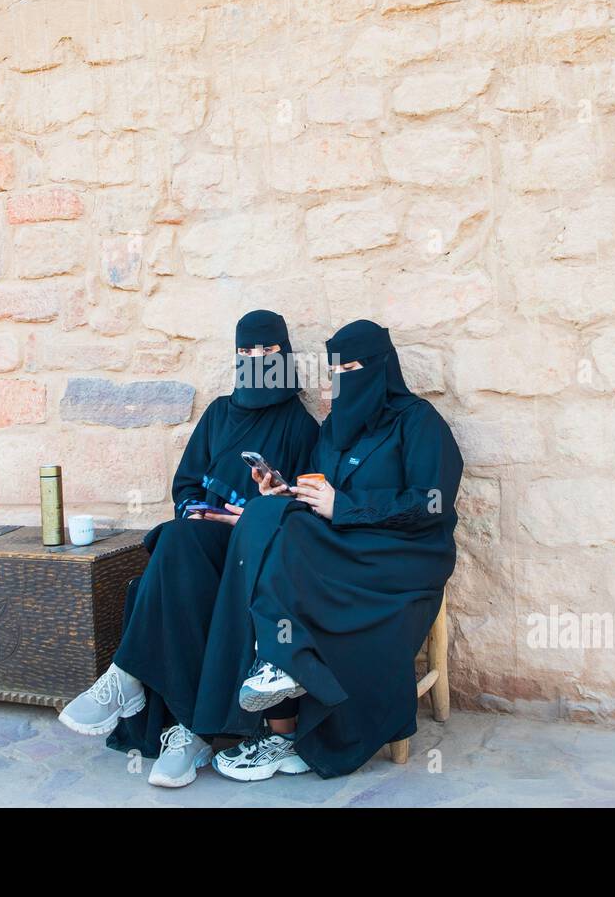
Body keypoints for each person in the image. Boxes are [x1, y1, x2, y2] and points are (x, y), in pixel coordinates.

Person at [191, 319, 463, 782]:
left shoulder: (418, 422)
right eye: (336, 370)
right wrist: (281, 491)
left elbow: (431, 503)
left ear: (382, 367)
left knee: (273, 534)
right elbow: (317, 491)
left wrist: (347, 506)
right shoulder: (335, 428)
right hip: (339, 547)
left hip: (400, 557)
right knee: (265, 517)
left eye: (353, 367)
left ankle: (280, 668)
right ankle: (280, 676)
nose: (344, 379)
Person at [57, 310, 319, 788]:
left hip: (254, 549)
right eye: (245, 353)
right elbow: (187, 483)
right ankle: (185, 728)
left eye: (266, 353)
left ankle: (135, 684)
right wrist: (199, 510)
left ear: (284, 356)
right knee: (177, 538)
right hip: (204, 537)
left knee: (174, 553)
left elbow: (301, 505)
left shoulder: (301, 426)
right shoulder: (219, 413)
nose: (255, 361)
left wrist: (262, 505)